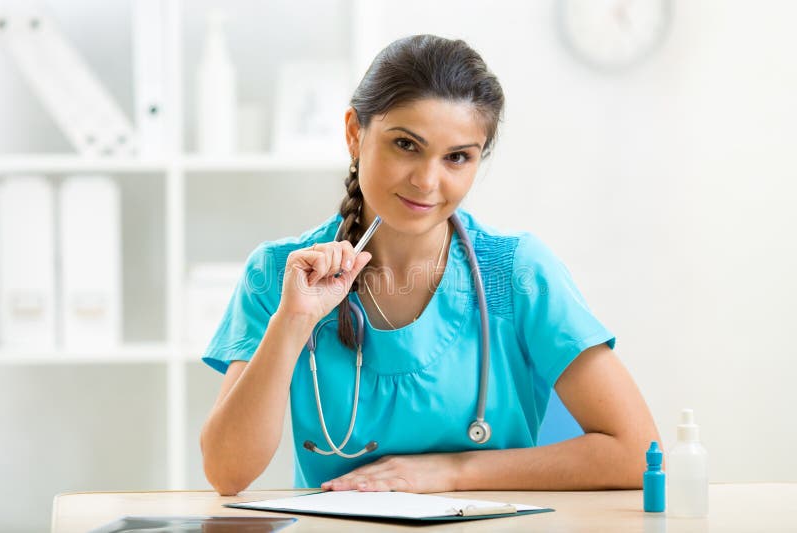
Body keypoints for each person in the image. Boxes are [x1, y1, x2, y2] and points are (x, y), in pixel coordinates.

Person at [200, 34, 660, 496]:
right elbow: (227, 472)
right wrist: (293, 322)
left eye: (457, 157)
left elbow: (636, 452)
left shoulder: (517, 272)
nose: (426, 180)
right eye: (405, 145)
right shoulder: (282, 273)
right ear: (355, 135)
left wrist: (450, 473)